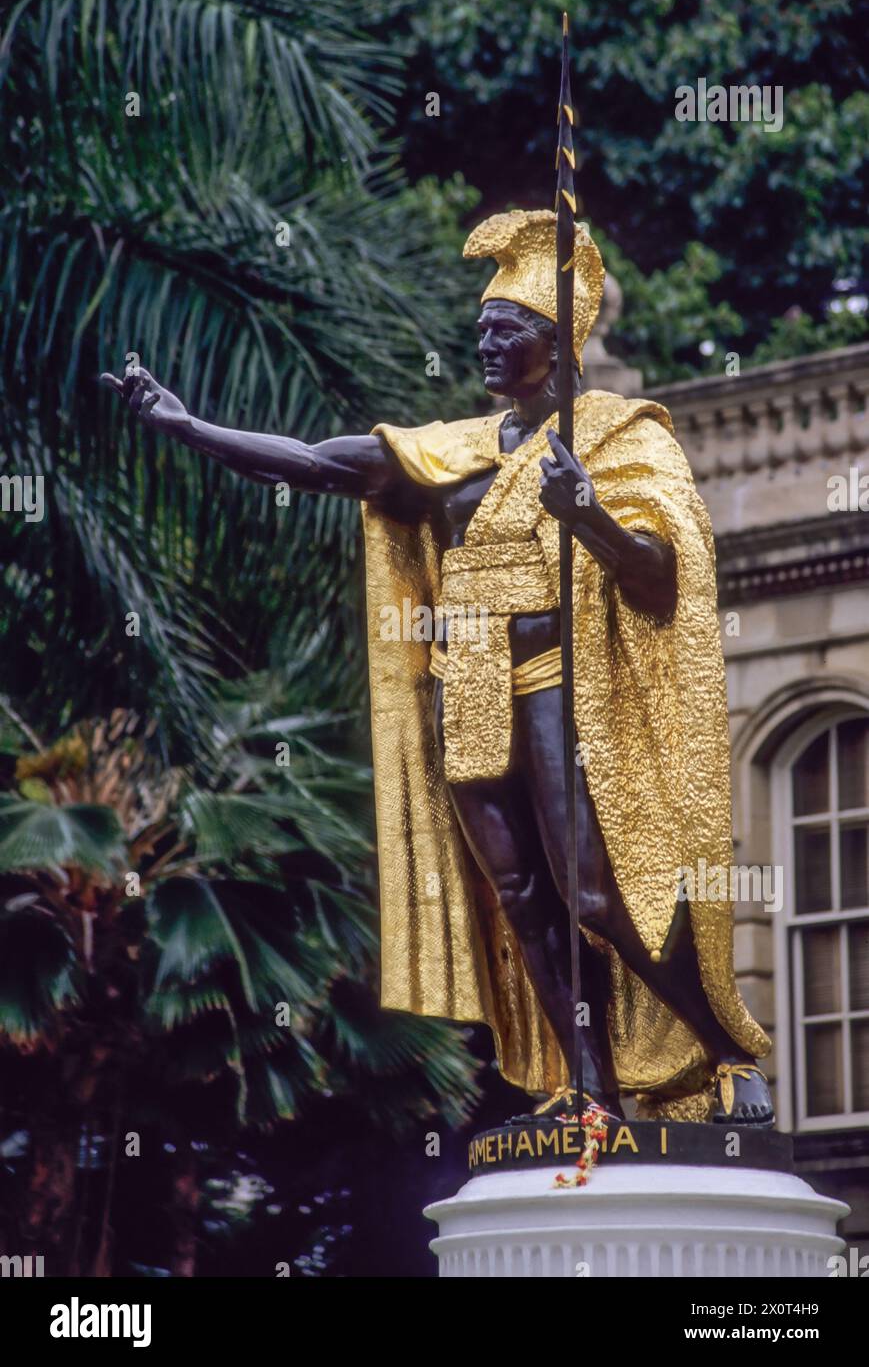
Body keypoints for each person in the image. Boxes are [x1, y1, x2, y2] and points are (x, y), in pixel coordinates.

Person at [102, 209, 773, 1124]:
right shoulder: (452, 451)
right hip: (468, 693)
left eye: (506, 333)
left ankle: (723, 1049)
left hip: (554, 686)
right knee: (523, 896)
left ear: (557, 342)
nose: (487, 347)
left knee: (590, 891)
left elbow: (662, 580)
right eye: (482, 333)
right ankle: (590, 1088)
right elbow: (312, 462)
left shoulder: (624, 438)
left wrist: (591, 519)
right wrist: (189, 427)